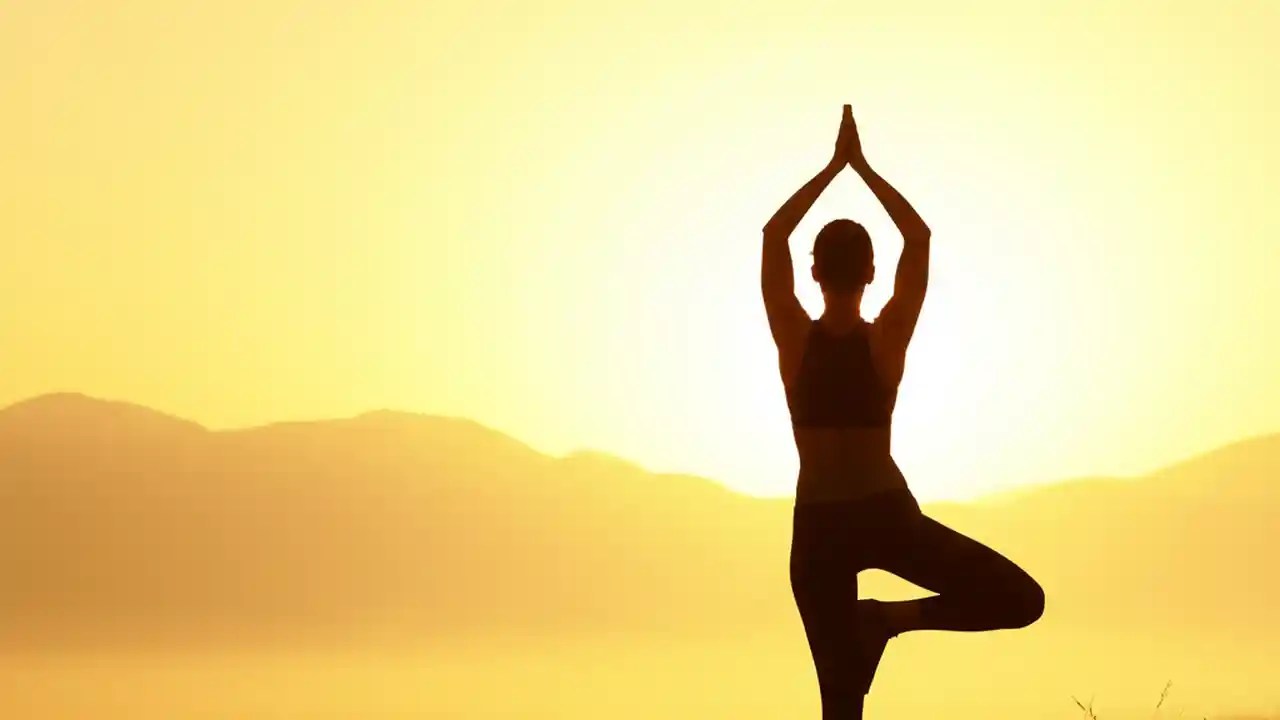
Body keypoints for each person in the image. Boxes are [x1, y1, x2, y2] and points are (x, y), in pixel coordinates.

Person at [761, 105, 1045, 718]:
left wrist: (831, 168)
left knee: (839, 706)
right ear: (870, 271)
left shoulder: (794, 340)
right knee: (1021, 600)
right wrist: (860, 167)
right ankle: (889, 621)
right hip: (883, 518)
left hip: (819, 530)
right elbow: (917, 239)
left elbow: (772, 237)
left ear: (813, 273)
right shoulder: (884, 342)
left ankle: (879, 624)